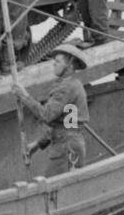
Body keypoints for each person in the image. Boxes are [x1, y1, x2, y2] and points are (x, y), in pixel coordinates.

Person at [15, 43, 89, 175]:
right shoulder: (73, 84)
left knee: (54, 189)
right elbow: (63, 125)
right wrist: (37, 144)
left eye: (58, 61)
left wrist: (24, 96)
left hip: (65, 148)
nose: (53, 64)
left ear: (70, 65)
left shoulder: (65, 88)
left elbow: (47, 115)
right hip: (71, 145)